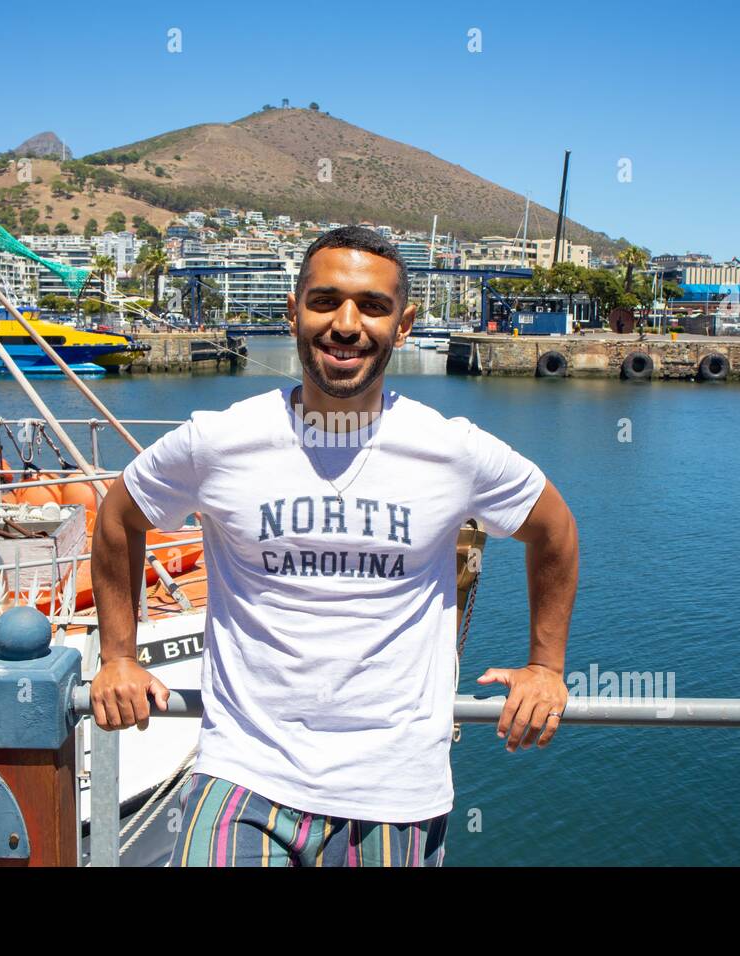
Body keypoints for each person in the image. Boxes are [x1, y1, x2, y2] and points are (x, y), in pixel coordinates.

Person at [90, 226, 579, 867]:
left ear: (402, 327)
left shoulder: (453, 451)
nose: (346, 325)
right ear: (293, 312)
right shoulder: (218, 442)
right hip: (244, 771)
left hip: (396, 789)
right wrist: (118, 656)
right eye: (325, 301)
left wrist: (544, 666)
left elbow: (554, 530)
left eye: (372, 307)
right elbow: (118, 518)